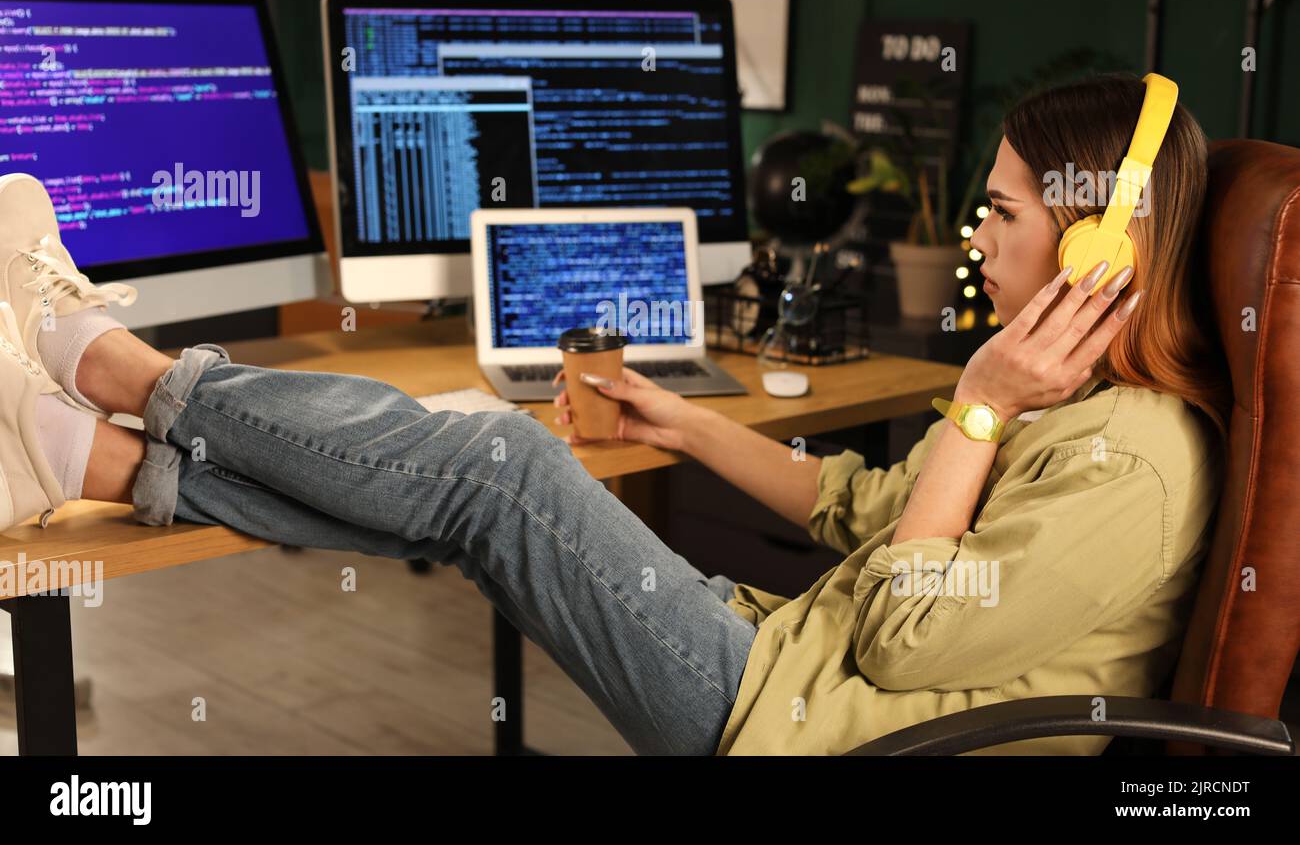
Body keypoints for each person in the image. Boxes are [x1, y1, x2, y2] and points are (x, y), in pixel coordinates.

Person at [0, 72, 1229, 755]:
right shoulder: (1072, 398)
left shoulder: (1136, 464)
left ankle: (112, 365)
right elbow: (864, 506)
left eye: (1002, 214)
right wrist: (676, 421)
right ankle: (76, 447)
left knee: (496, 456)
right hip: (773, 665)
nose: (975, 235)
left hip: (792, 726)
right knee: (473, 488)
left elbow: (905, 638)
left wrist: (969, 412)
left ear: (1099, 245)